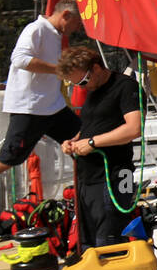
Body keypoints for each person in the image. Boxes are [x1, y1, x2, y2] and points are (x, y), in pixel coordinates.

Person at [0, 0, 84, 210]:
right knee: (8, 158)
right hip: (30, 108)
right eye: (77, 22)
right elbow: (19, 59)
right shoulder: (36, 29)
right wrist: (58, 70)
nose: (78, 28)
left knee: (86, 140)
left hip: (52, 107)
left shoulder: (54, 34)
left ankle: (90, 193)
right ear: (65, 15)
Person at [56, 46, 142, 249]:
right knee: (89, 242)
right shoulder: (93, 91)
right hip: (88, 178)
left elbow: (134, 128)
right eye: (77, 84)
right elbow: (91, 126)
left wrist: (92, 143)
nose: (82, 87)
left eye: (83, 81)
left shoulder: (125, 86)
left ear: (96, 68)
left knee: (110, 240)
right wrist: (74, 141)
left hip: (115, 175)